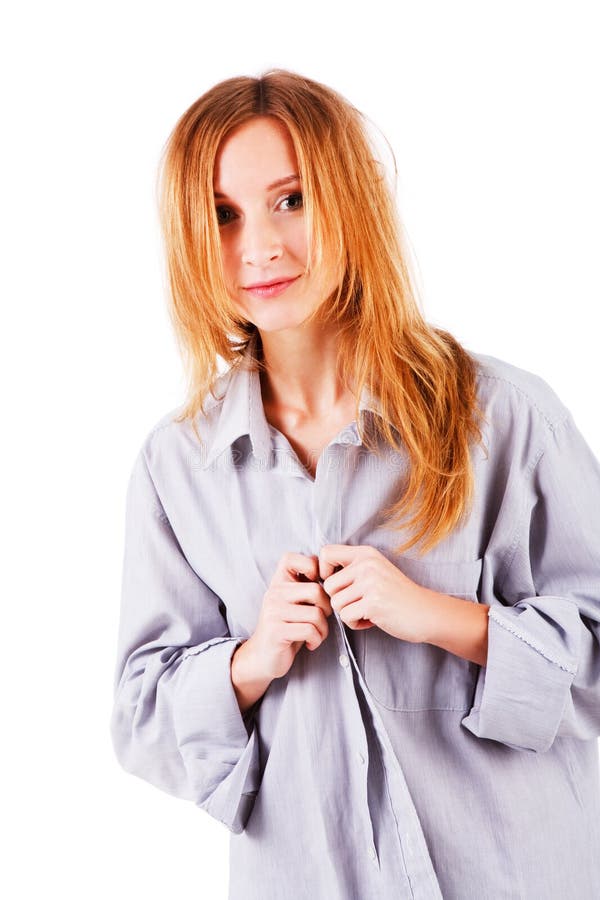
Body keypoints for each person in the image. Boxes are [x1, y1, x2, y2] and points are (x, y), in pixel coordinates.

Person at [109, 69, 600, 899]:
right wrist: (253, 658)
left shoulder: (503, 417)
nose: (257, 246)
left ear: (347, 202)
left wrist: (443, 618)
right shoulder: (177, 467)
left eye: (289, 200)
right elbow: (142, 720)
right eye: (223, 215)